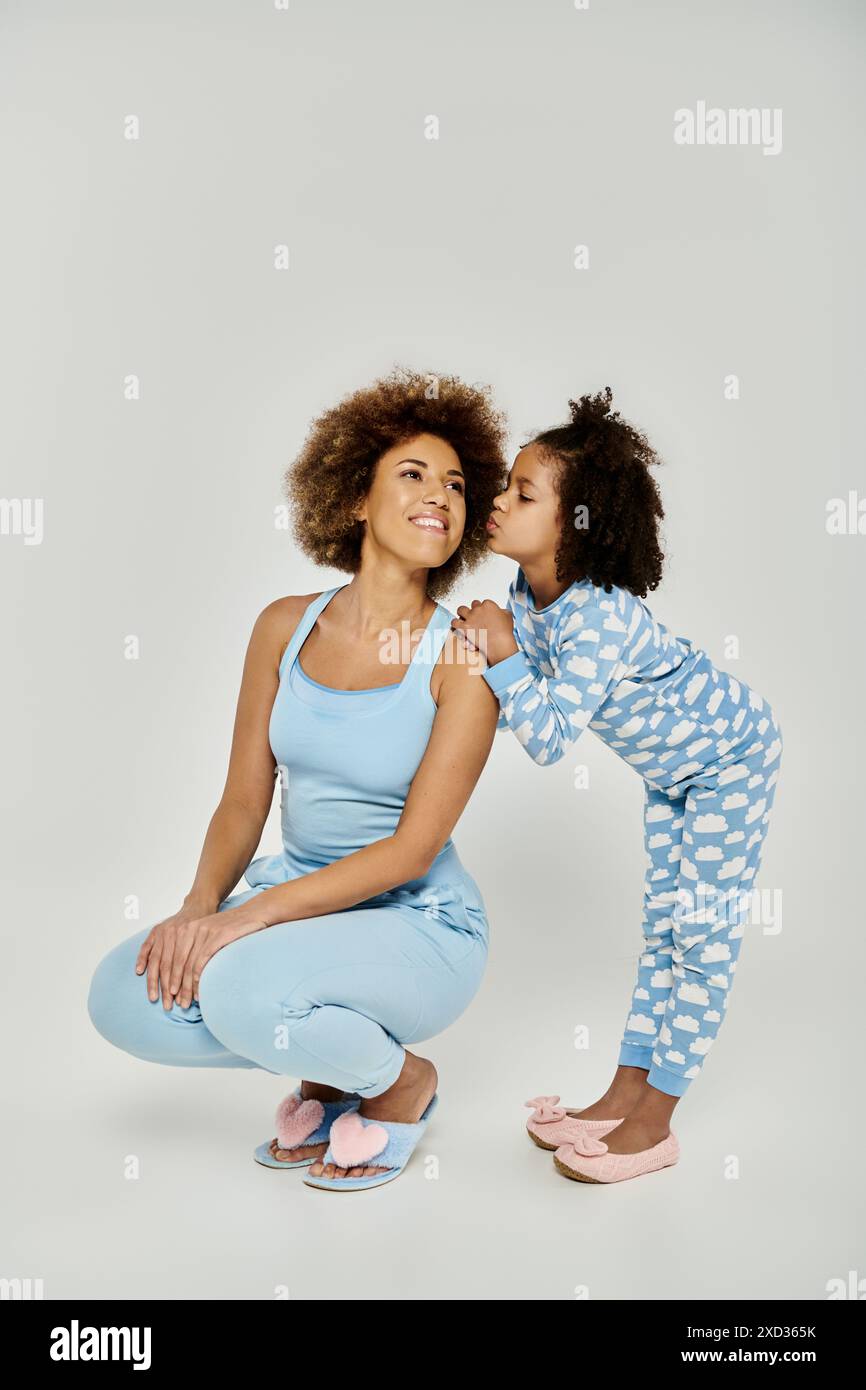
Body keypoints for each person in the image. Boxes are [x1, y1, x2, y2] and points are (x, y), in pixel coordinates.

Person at [87, 366, 507, 1192]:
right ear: (355, 499)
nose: (441, 495)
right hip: (299, 901)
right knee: (121, 993)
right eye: (413, 474)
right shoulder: (284, 626)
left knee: (237, 985)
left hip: (419, 926)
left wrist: (245, 923)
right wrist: (200, 908)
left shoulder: (463, 658)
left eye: (457, 485)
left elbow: (412, 851)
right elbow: (245, 798)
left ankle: (400, 1082)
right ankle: (330, 1061)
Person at [451, 386, 784, 1185]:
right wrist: (483, 662)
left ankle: (657, 1123)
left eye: (523, 494)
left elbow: (550, 739)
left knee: (700, 937)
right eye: (506, 488)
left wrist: (500, 654)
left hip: (731, 760)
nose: (498, 502)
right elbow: (523, 710)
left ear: (577, 523)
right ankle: (623, 1094)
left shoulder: (598, 618)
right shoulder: (526, 599)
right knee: (660, 929)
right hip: (673, 776)